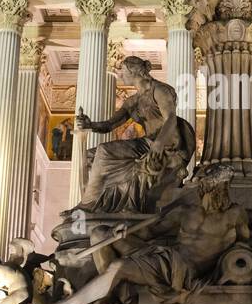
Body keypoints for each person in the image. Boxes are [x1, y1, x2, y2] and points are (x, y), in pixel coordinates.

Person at [32, 167, 247, 304]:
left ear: (221, 189)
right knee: (100, 233)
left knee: (119, 267)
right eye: (203, 189)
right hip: (163, 255)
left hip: (180, 270)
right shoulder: (187, 212)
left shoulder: (234, 215)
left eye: (209, 189)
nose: (204, 194)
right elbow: (150, 230)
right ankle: (107, 295)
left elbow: (248, 242)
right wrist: (121, 229)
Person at [73, 56, 195, 213]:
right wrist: (90, 125)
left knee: (104, 151)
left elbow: (170, 119)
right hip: (147, 143)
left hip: (167, 144)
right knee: (90, 156)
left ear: (134, 71)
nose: (120, 75)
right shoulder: (133, 101)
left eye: (123, 71)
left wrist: (158, 144)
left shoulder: (159, 90)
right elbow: (110, 125)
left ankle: (87, 205)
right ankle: (103, 203)